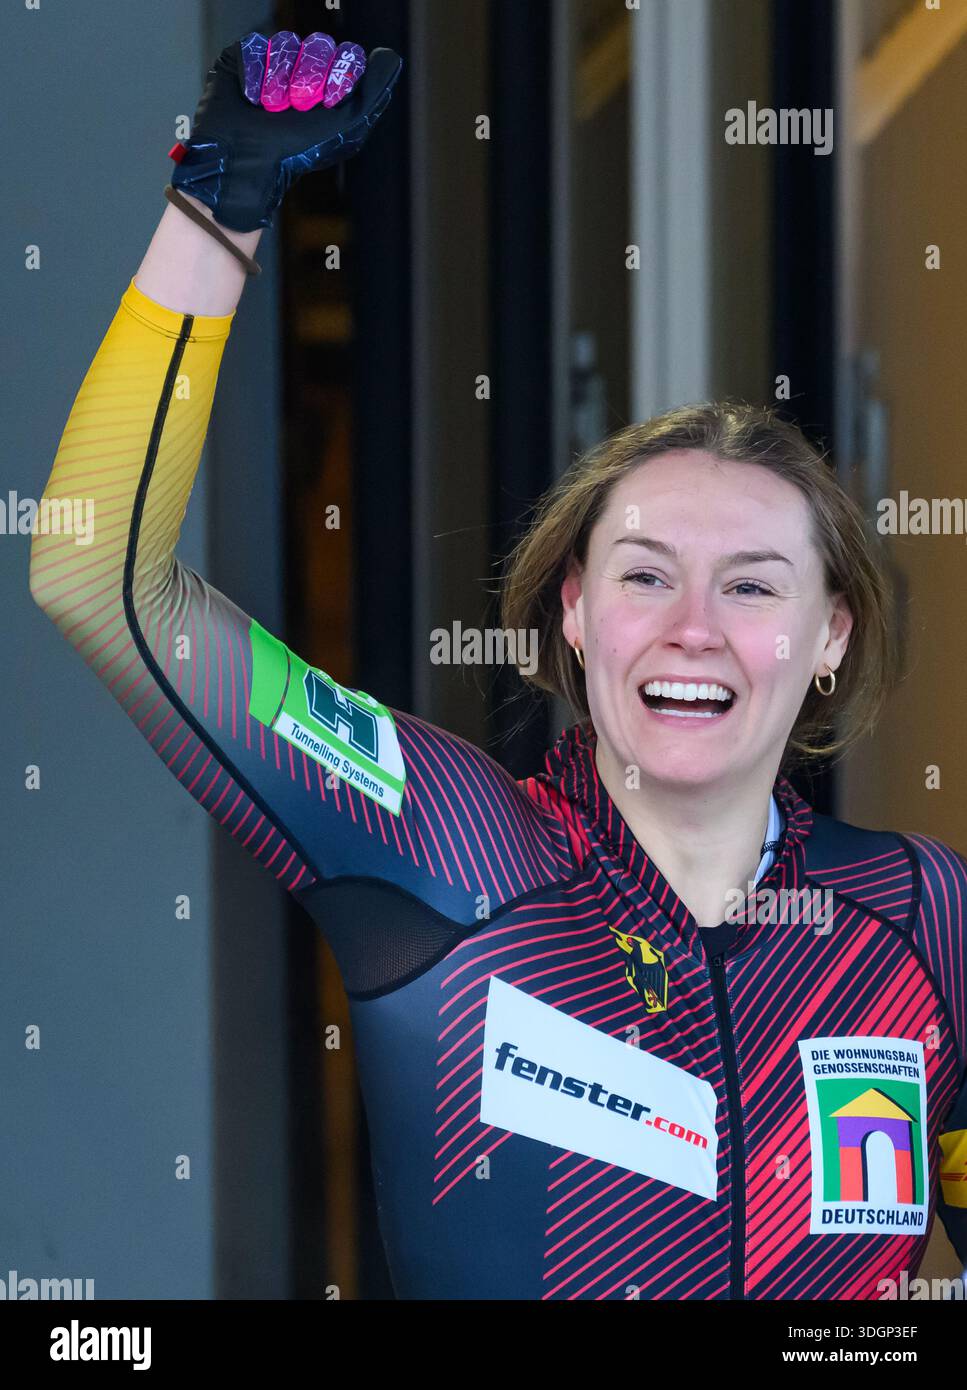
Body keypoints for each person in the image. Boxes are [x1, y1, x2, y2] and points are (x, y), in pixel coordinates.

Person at [29, 30, 966, 1301]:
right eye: (643, 575)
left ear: (829, 635)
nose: (693, 624)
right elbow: (99, 580)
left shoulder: (917, 918)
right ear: (574, 612)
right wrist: (219, 203)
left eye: (751, 584)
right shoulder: (451, 840)